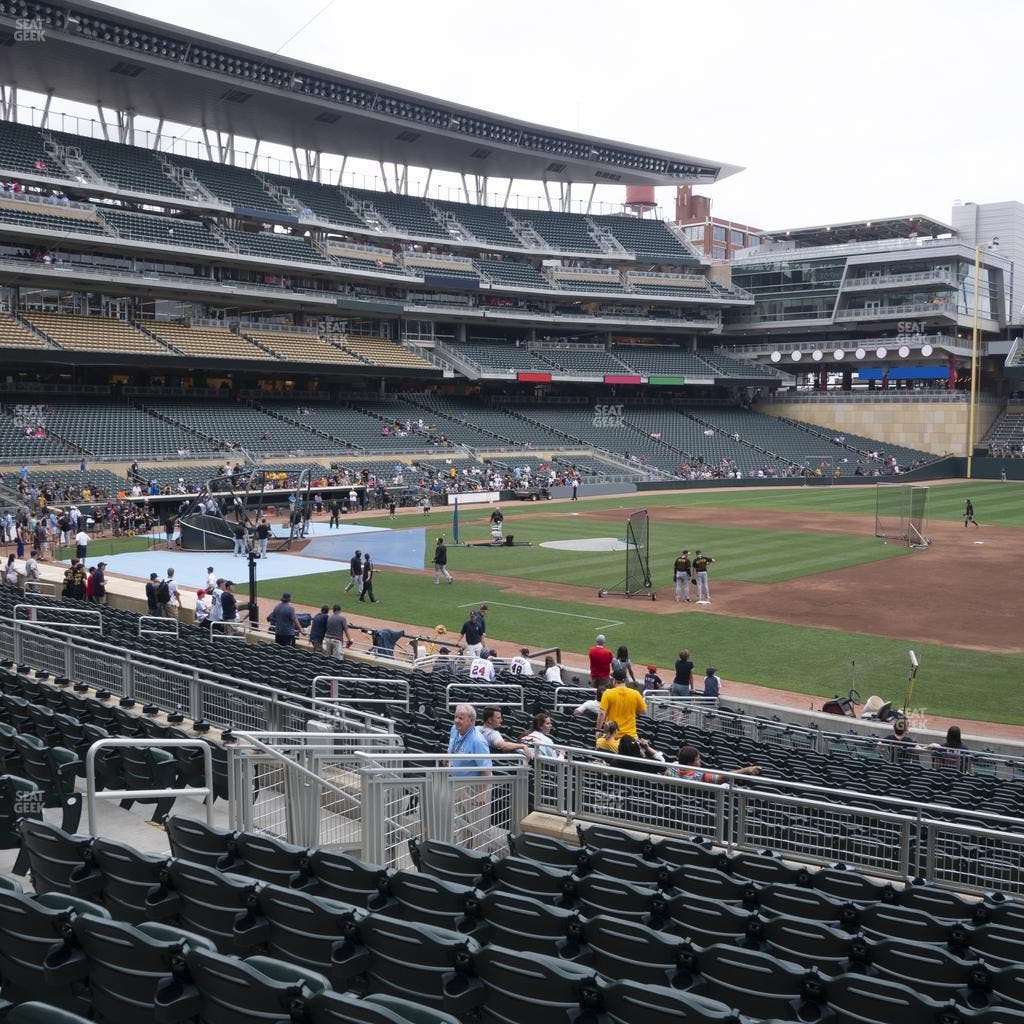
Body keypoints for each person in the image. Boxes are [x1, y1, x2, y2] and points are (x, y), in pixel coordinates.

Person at [668, 744, 761, 783]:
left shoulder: (671, 769)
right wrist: (747, 770)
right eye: (697, 759)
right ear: (689, 763)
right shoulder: (701, 776)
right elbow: (723, 777)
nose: (700, 761)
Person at [596, 670, 647, 739]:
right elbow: (644, 712)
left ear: (614, 680)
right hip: (630, 737)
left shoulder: (607, 693)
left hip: (612, 736)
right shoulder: (636, 694)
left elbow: (602, 713)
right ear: (625, 680)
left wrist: (598, 730)